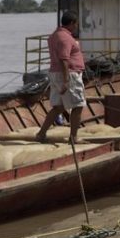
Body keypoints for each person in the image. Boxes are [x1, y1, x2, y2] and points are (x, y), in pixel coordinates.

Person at [35, 12, 86, 145]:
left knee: (59, 107)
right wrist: (66, 80)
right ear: (71, 23)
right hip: (69, 74)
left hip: (55, 73)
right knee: (78, 106)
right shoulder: (65, 38)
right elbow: (64, 60)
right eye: (76, 24)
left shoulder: (54, 36)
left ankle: (41, 134)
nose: (76, 27)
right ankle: (73, 138)